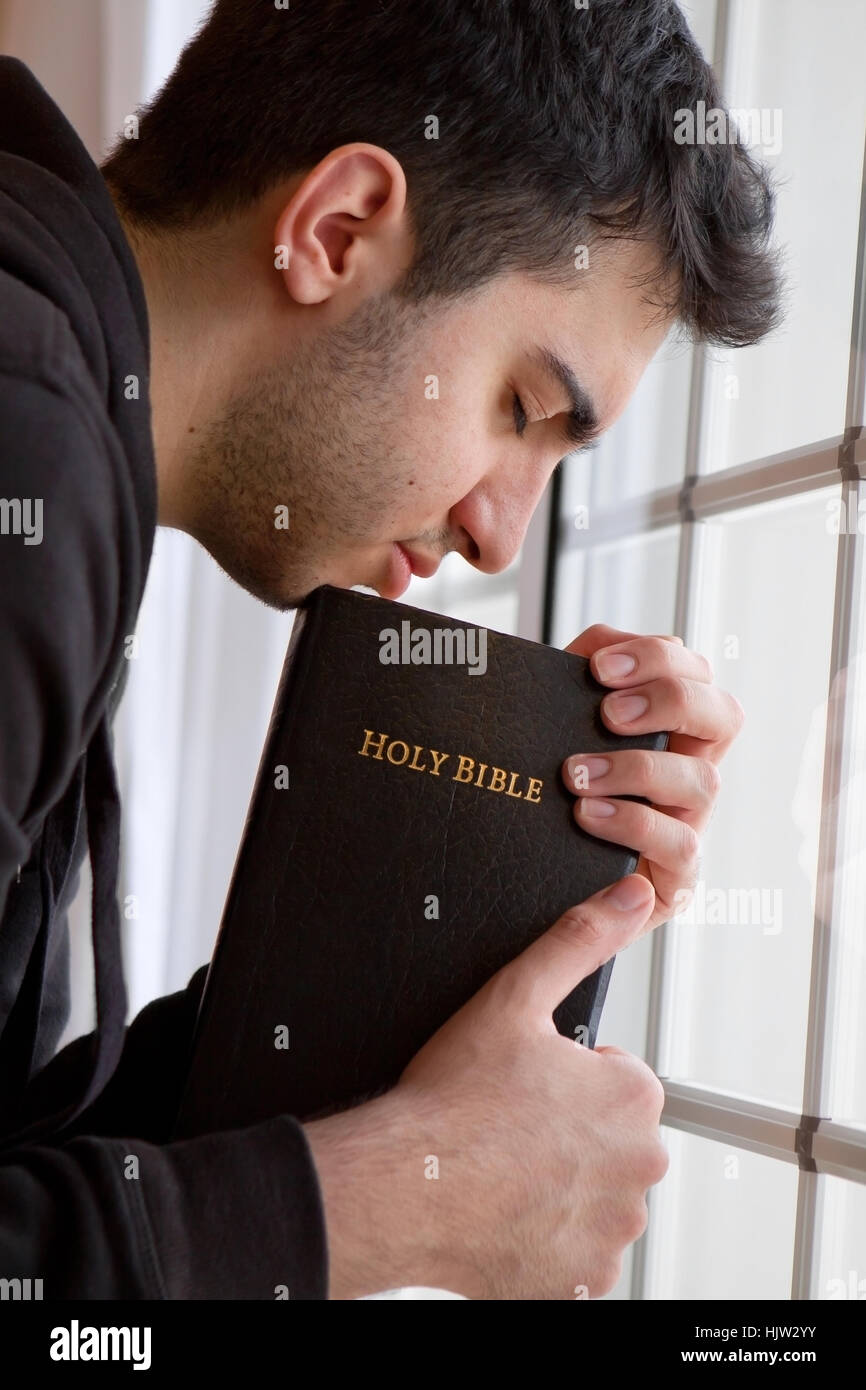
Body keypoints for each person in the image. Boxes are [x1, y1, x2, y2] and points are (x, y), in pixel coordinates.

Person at [0, 0, 777, 1299]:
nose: (498, 532)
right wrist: (400, 1198)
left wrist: (453, 932)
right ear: (336, 230)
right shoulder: (28, 452)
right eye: (520, 407)